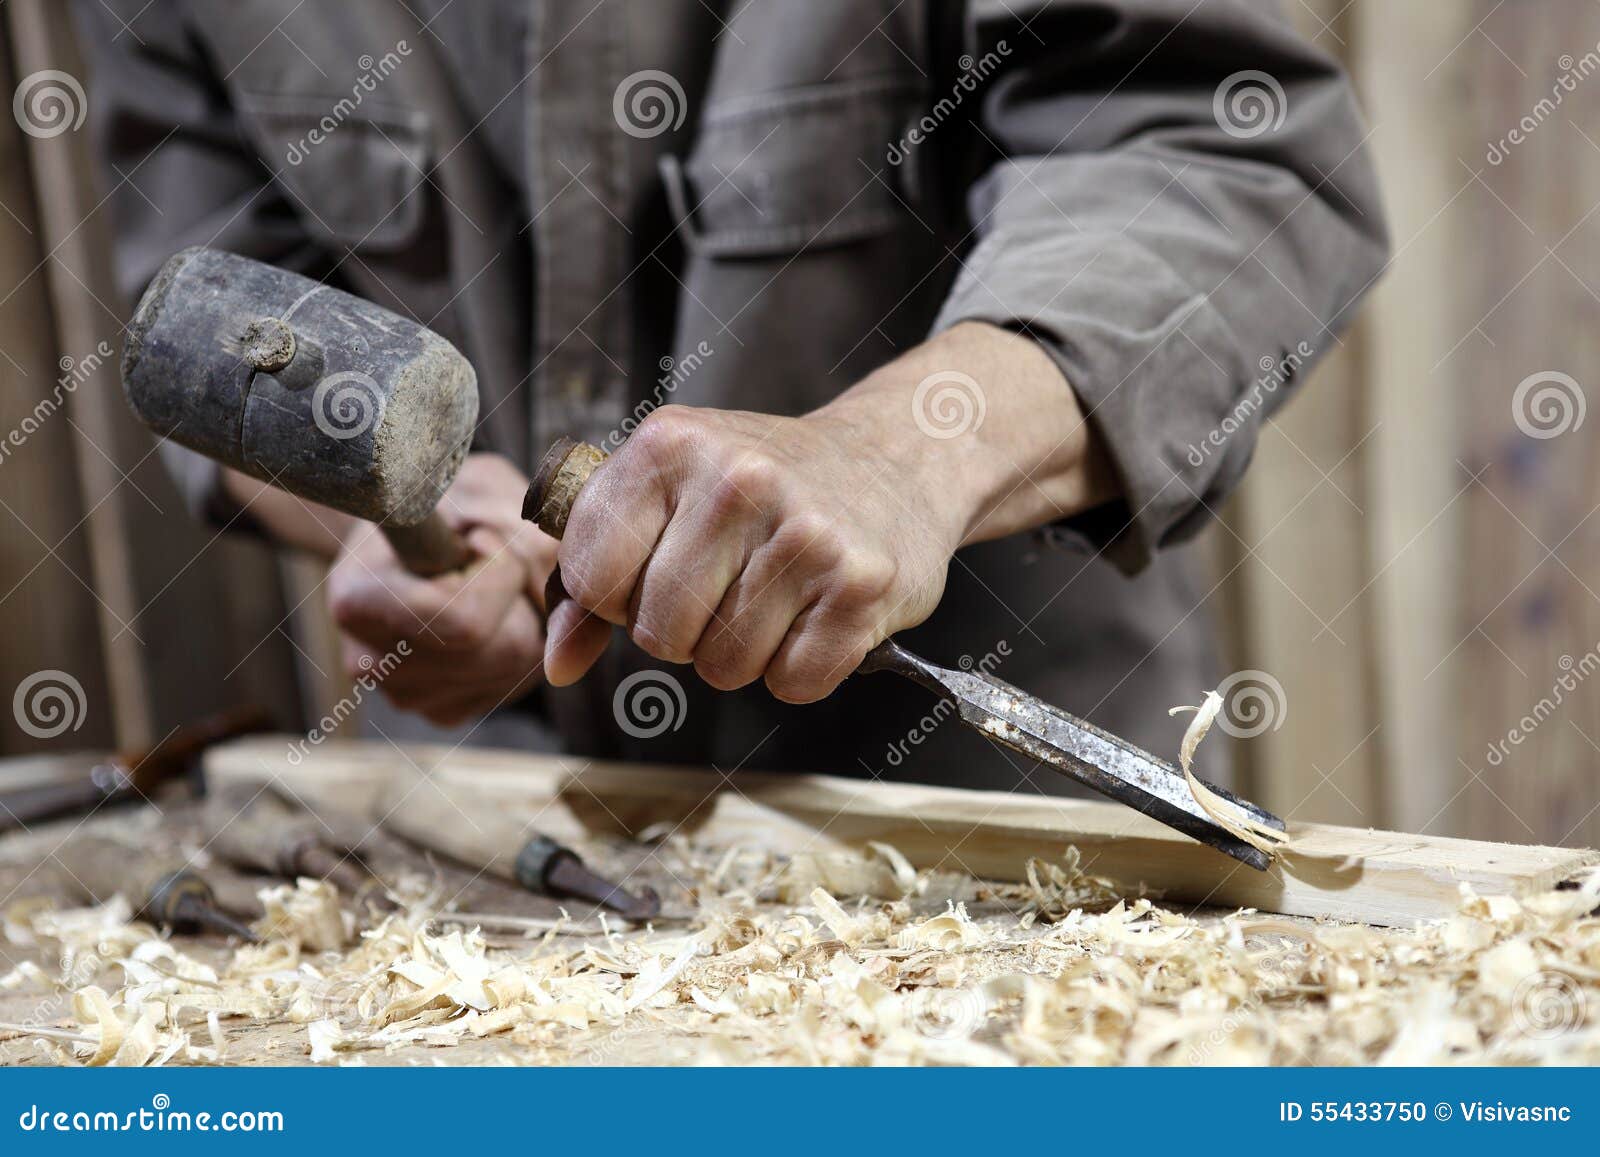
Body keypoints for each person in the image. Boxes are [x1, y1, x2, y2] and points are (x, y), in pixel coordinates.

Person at [76, 0, 1387, 790]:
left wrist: (902, 451)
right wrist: (416, 524)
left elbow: (1211, 148)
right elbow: (216, 317)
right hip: (513, 838)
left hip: (976, 826)